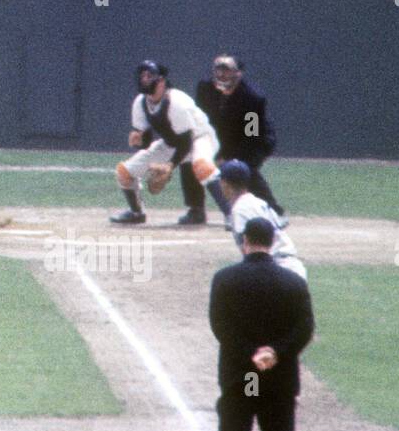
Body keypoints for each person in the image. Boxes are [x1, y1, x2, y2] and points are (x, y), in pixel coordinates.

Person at [208, 214, 314, 431]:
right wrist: (274, 352)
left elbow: (220, 326)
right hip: (278, 378)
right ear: (273, 240)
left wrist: (250, 354)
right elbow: (304, 328)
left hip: (244, 376)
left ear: (245, 240)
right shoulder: (294, 283)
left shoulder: (224, 279)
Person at [111, 60, 232, 226]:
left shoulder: (176, 102)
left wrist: (170, 165)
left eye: (149, 76)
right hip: (172, 142)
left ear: (161, 81)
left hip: (199, 137)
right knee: (124, 172)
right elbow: (146, 142)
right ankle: (136, 212)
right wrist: (139, 141)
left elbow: (186, 142)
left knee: (201, 165)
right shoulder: (140, 102)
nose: (145, 79)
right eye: (142, 75)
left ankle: (231, 214)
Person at [195, 55, 286, 224]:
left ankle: (274, 212)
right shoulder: (205, 89)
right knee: (199, 162)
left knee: (244, 168)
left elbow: (251, 135)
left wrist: (228, 156)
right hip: (223, 137)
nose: (222, 75)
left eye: (227, 70)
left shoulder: (252, 98)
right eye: (219, 70)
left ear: (238, 74)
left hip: (255, 140)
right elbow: (202, 119)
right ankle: (198, 210)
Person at [220, 161, 303, 277]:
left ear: (224, 184)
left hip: (276, 269)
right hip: (293, 267)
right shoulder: (258, 202)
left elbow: (249, 250)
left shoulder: (239, 210)